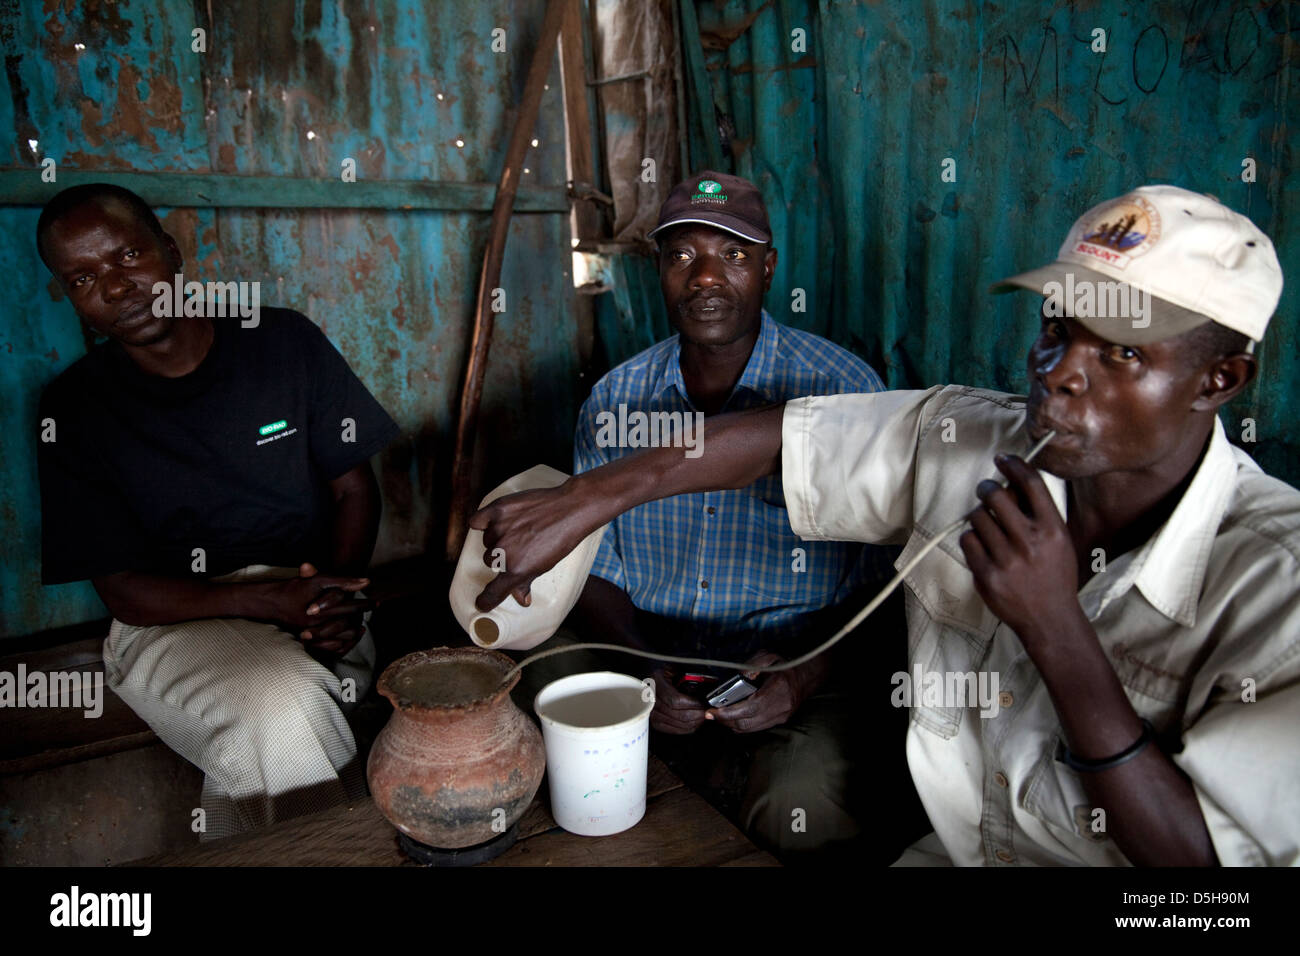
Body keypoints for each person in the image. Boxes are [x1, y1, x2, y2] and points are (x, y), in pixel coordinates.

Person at [471, 185, 1298, 866]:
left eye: (1121, 352)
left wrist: (1054, 626)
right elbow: (780, 442)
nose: (1057, 374)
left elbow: (1203, 882)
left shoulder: (1276, 586)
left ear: (1219, 380)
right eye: (1057, 327)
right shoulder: (973, 439)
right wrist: (585, 502)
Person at [35, 183, 401, 841]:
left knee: (293, 709)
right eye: (84, 278)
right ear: (70, 297)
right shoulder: (75, 412)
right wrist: (273, 602)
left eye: (127, 257)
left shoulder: (280, 342)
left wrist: (335, 601)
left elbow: (353, 488)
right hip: (173, 626)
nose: (115, 288)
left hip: (313, 598)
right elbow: (125, 592)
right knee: (280, 706)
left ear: (170, 252)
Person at [561, 170, 901, 861]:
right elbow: (594, 568)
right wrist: (645, 666)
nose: (705, 278)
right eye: (683, 256)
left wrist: (805, 675)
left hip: (802, 660)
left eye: (734, 256)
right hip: (653, 655)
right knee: (555, 735)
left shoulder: (844, 391)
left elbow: (886, 588)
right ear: (660, 270)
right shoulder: (614, 398)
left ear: (769, 268)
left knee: (796, 809)